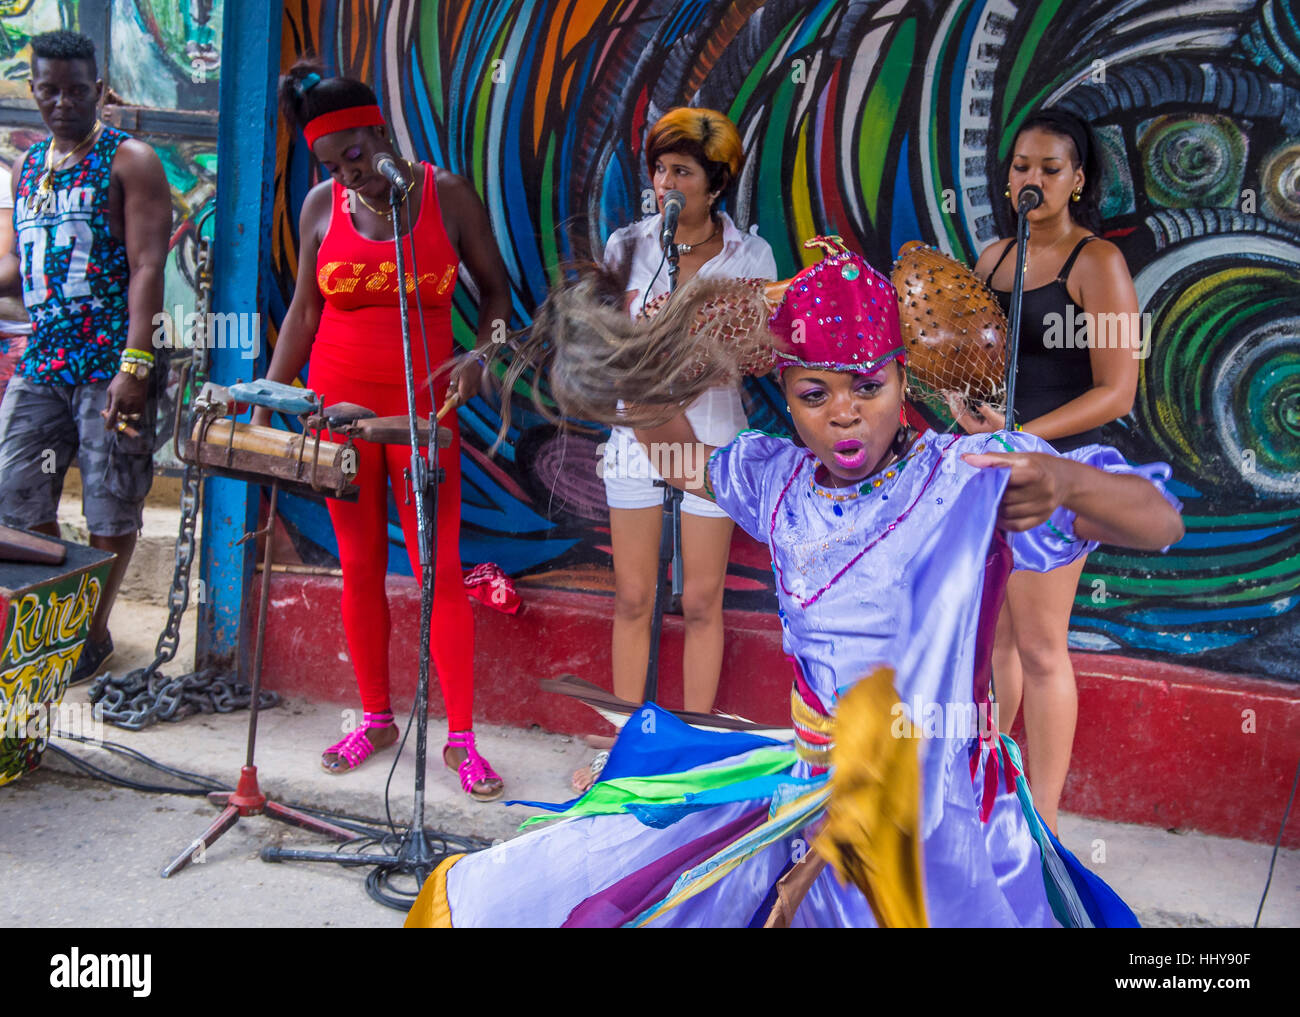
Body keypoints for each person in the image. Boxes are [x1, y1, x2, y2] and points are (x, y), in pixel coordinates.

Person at [405, 240, 1183, 927]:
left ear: (901, 377)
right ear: (788, 397)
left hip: (947, 812)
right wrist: (629, 373)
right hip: (814, 798)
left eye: (867, 388)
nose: (844, 414)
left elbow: (1157, 519)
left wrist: (1068, 485)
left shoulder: (967, 474)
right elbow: (680, 461)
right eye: (815, 395)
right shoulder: (774, 482)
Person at [257, 62, 511, 800]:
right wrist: (270, 401)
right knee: (359, 564)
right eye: (335, 166)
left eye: (358, 156)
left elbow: (495, 293)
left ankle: (460, 738)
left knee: (438, 569)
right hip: (338, 414)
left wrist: (482, 357)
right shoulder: (318, 207)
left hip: (425, 415)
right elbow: (305, 315)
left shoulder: (448, 196)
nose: (352, 176)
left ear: (381, 132)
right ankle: (374, 716)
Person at [575, 108, 777, 792]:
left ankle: (694, 750)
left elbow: (756, 358)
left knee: (700, 600)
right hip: (635, 439)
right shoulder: (627, 246)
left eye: (682, 171)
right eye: (660, 168)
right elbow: (599, 344)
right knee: (634, 596)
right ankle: (623, 748)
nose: (667, 182)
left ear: (715, 184)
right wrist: (639, 344)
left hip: (712, 442)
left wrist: (699, 340)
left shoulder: (750, 256)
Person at [953, 108, 1142, 833]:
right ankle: (988, 797)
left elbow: (1117, 390)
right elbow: (972, 362)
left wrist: (1023, 434)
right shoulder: (993, 259)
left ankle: (1049, 826)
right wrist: (968, 409)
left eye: (1050, 169)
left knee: (1039, 643)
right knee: (993, 638)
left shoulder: (1099, 263)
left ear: (1077, 180)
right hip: (993, 462)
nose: (1032, 180)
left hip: (1056, 469)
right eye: (1022, 166)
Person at [0, 30, 171, 684]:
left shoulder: (130, 160)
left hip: (110, 360)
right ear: (34, 91)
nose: (63, 101)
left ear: (98, 88)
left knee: (110, 504)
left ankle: (90, 633)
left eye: (77, 89)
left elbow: (148, 264)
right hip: (43, 357)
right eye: (50, 90)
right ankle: (56, 613)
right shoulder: (29, 166)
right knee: (16, 493)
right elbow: (20, 264)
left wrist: (136, 365)